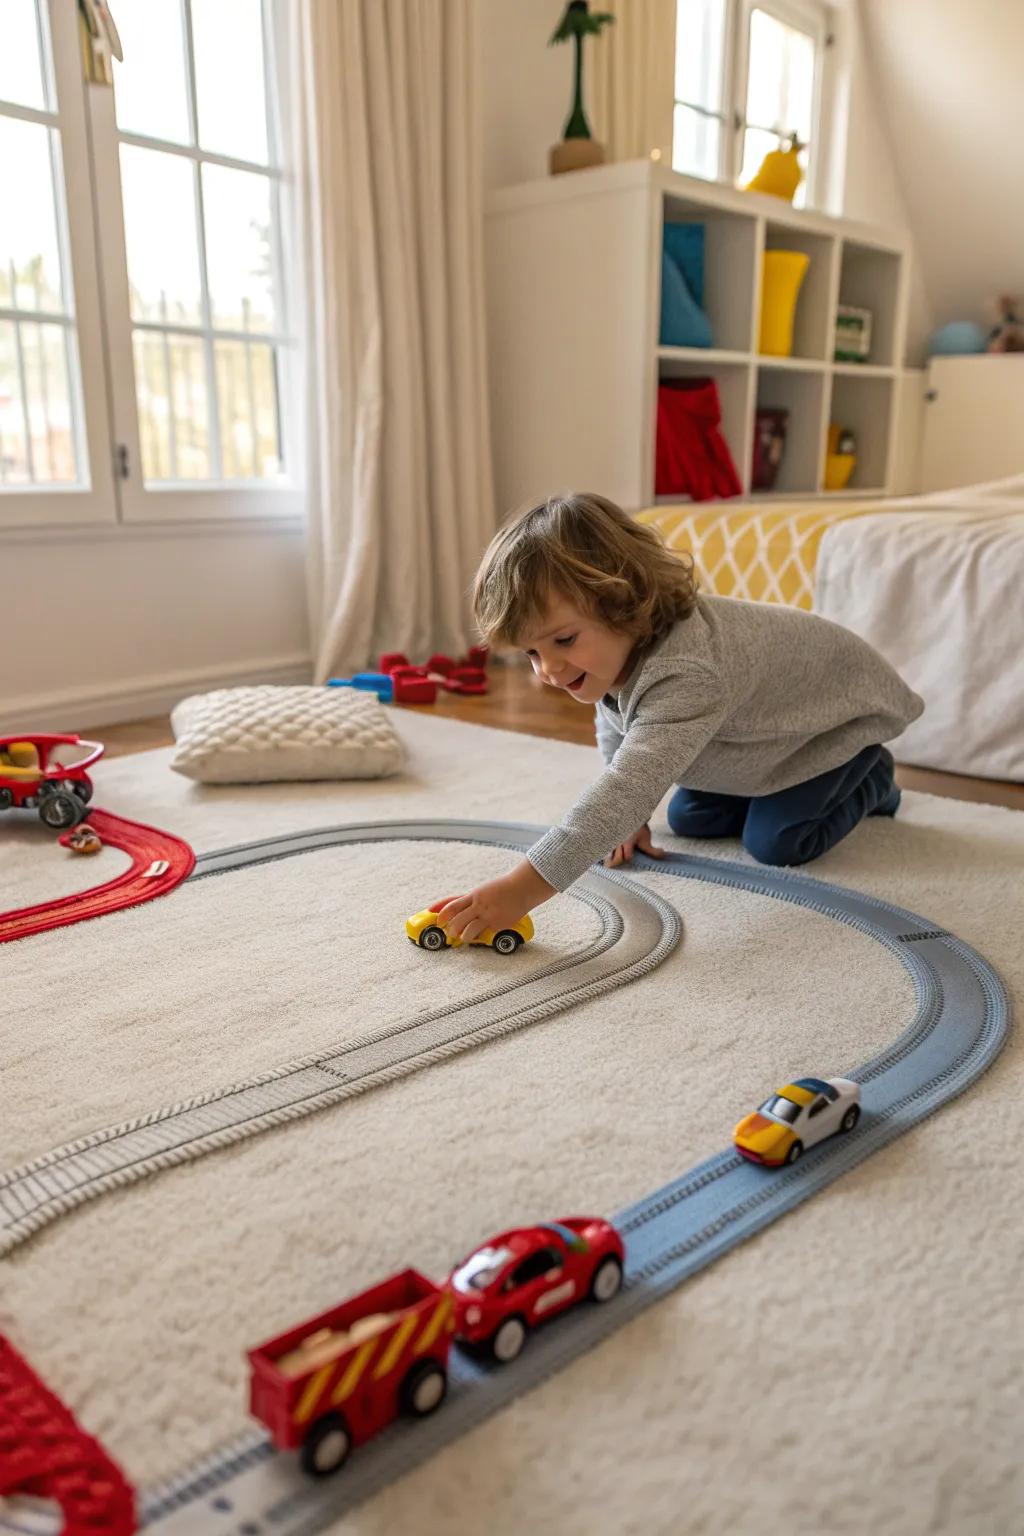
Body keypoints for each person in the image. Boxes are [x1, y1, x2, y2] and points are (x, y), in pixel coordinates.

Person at [435, 493, 923, 945]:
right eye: (531, 653)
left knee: (777, 841)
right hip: (753, 734)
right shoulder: (613, 654)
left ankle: (874, 777)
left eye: (562, 641)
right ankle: (778, 789)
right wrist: (632, 820)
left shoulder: (687, 671)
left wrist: (521, 891)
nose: (549, 671)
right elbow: (617, 727)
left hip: (829, 725)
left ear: (623, 599)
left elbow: (622, 791)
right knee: (689, 817)